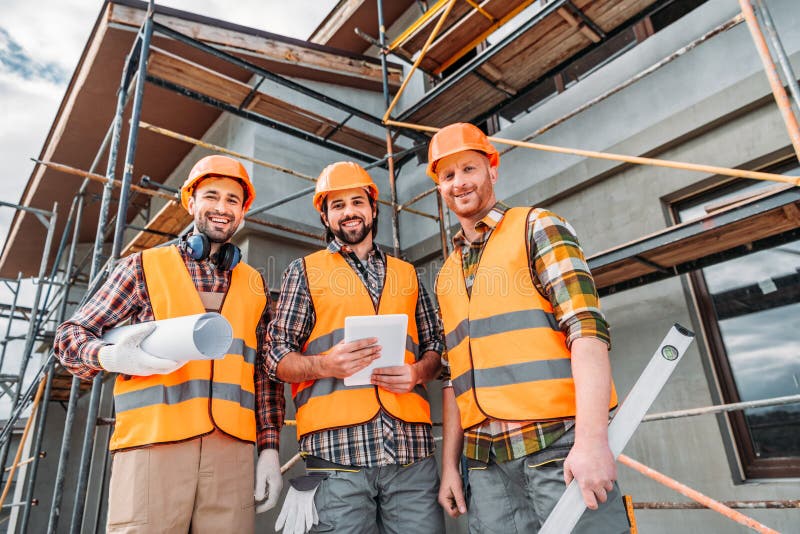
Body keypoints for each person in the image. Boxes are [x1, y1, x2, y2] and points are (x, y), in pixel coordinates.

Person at [54, 155, 284, 533]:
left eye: (233, 200)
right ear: (190, 203)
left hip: (231, 453)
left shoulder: (255, 284)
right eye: (211, 196)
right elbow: (69, 338)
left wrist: (270, 449)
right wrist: (110, 356)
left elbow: (264, 376)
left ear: (243, 212)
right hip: (154, 446)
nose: (222, 207)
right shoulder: (143, 267)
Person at [430, 123, 630, 533]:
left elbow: (586, 329)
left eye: (468, 169)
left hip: (557, 447)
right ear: (440, 187)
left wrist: (592, 441)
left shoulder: (537, 227)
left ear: (492, 169)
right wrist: (450, 466)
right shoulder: (446, 274)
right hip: (486, 465)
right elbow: (452, 378)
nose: (459, 182)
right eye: (448, 175)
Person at [267, 161, 445, 534]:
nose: (349, 211)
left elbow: (436, 349)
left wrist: (417, 372)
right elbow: (275, 357)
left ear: (373, 208)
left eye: (357, 202)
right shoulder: (304, 271)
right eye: (338, 205)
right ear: (325, 216)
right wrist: (324, 365)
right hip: (336, 458)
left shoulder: (407, 274)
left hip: (410, 454)